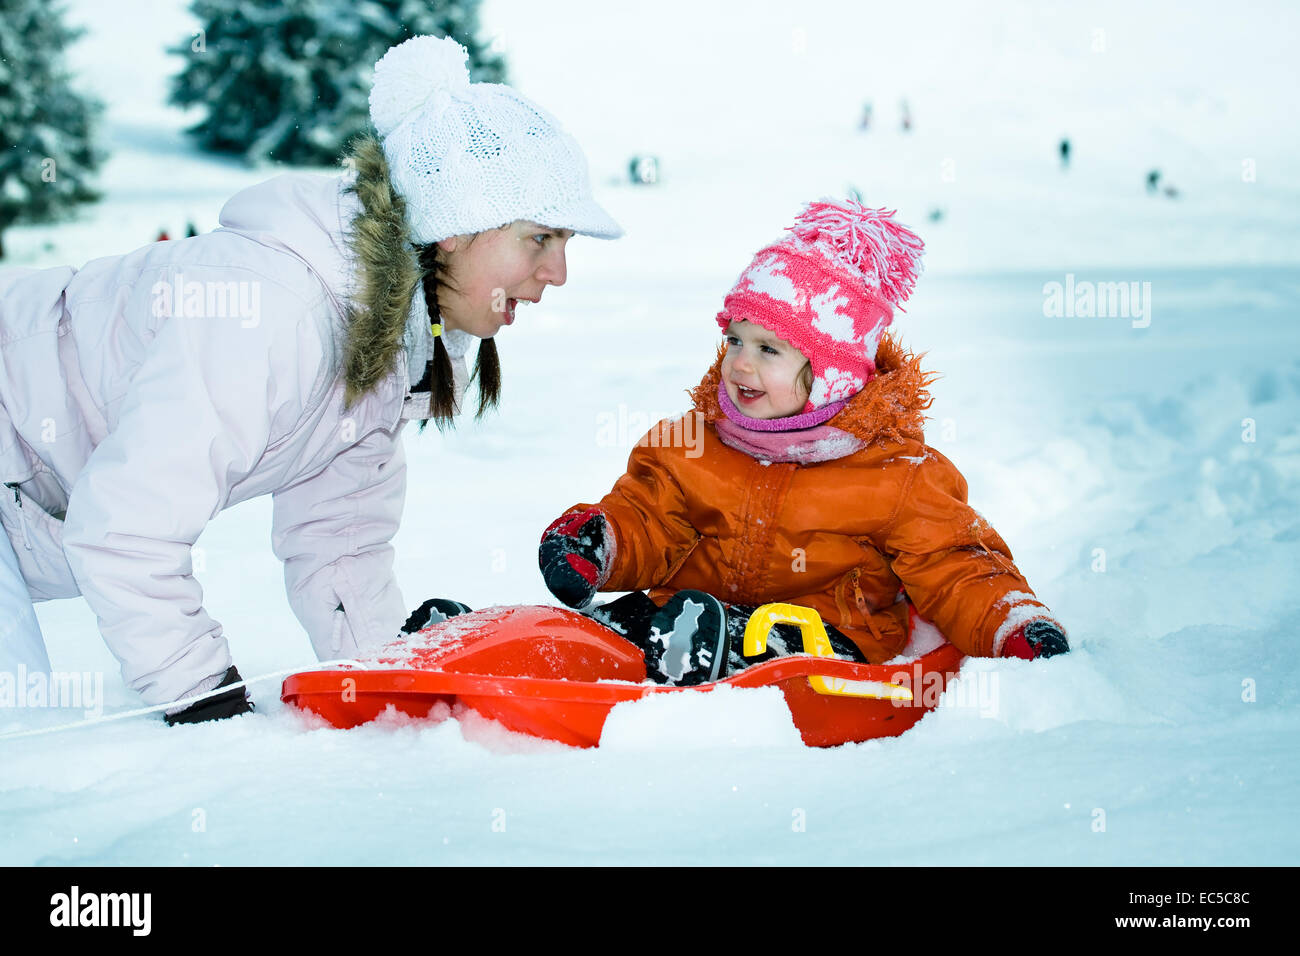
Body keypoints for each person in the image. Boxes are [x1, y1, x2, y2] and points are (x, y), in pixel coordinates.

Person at [0, 35, 621, 723]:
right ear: (452, 227)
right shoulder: (273, 313)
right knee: (17, 742)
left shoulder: (390, 344)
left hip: (29, 497)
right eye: (541, 238)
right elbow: (123, 529)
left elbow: (340, 541)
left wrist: (392, 687)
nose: (558, 272)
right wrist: (203, 697)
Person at [538, 199, 1067, 685]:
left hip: (825, 644)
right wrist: (600, 543)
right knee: (625, 624)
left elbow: (956, 565)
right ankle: (547, 655)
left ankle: (685, 657)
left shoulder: (898, 473)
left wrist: (1012, 623)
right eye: (735, 339)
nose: (740, 362)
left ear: (830, 375)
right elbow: (648, 519)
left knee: (741, 638)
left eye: (769, 349)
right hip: (688, 615)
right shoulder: (691, 444)